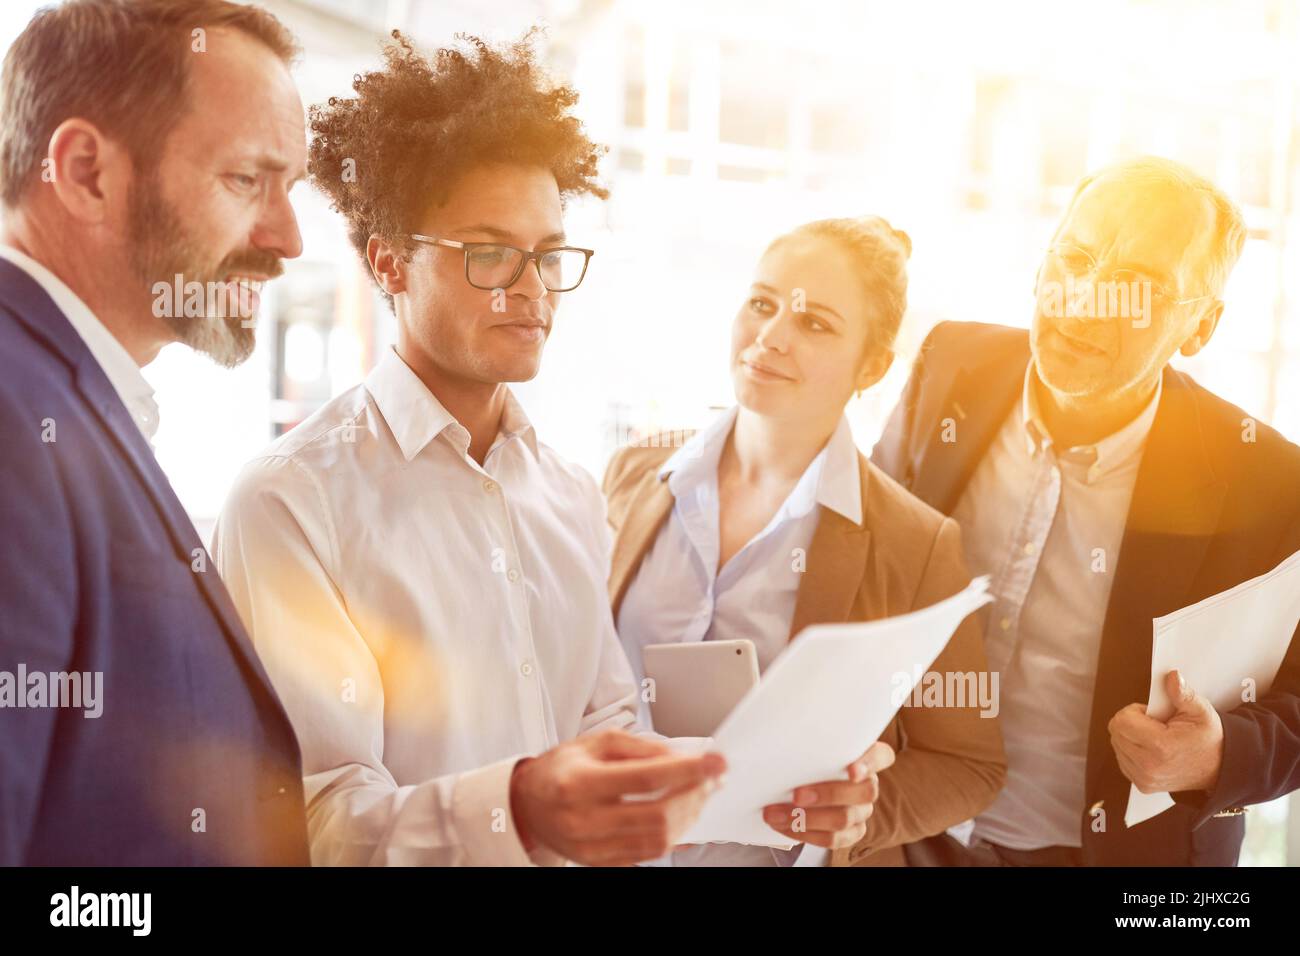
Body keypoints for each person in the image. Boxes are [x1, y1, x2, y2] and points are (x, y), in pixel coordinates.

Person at [210, 31, 724, 868]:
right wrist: (518, 811)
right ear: (389, 264)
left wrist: (765, 788)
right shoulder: (290, 501)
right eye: (490, 253)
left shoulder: (566, 490)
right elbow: (315, 819)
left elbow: (606, 727)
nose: (531, 288)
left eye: (550, 256)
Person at [872, 156, 1300, 866]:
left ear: (1200, 329)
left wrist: (1215, 756)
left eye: (1140, 287)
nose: (1088, 299)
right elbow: (871, 563)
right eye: (1075, 258)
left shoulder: (1271, 484)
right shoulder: (949, 364)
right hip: (911, 829)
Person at [0, 0, 310, 864]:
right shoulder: (14, 421)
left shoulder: (66, 401)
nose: (288, 238)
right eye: (248, 180)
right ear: (87, 173)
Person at [603, 215, 1007, 866]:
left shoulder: (915, 542)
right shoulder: (637, 472)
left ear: (872, 365)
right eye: (762, 304)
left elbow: (968, 764)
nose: (770, 337)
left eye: (814, 323)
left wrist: (859, 814)